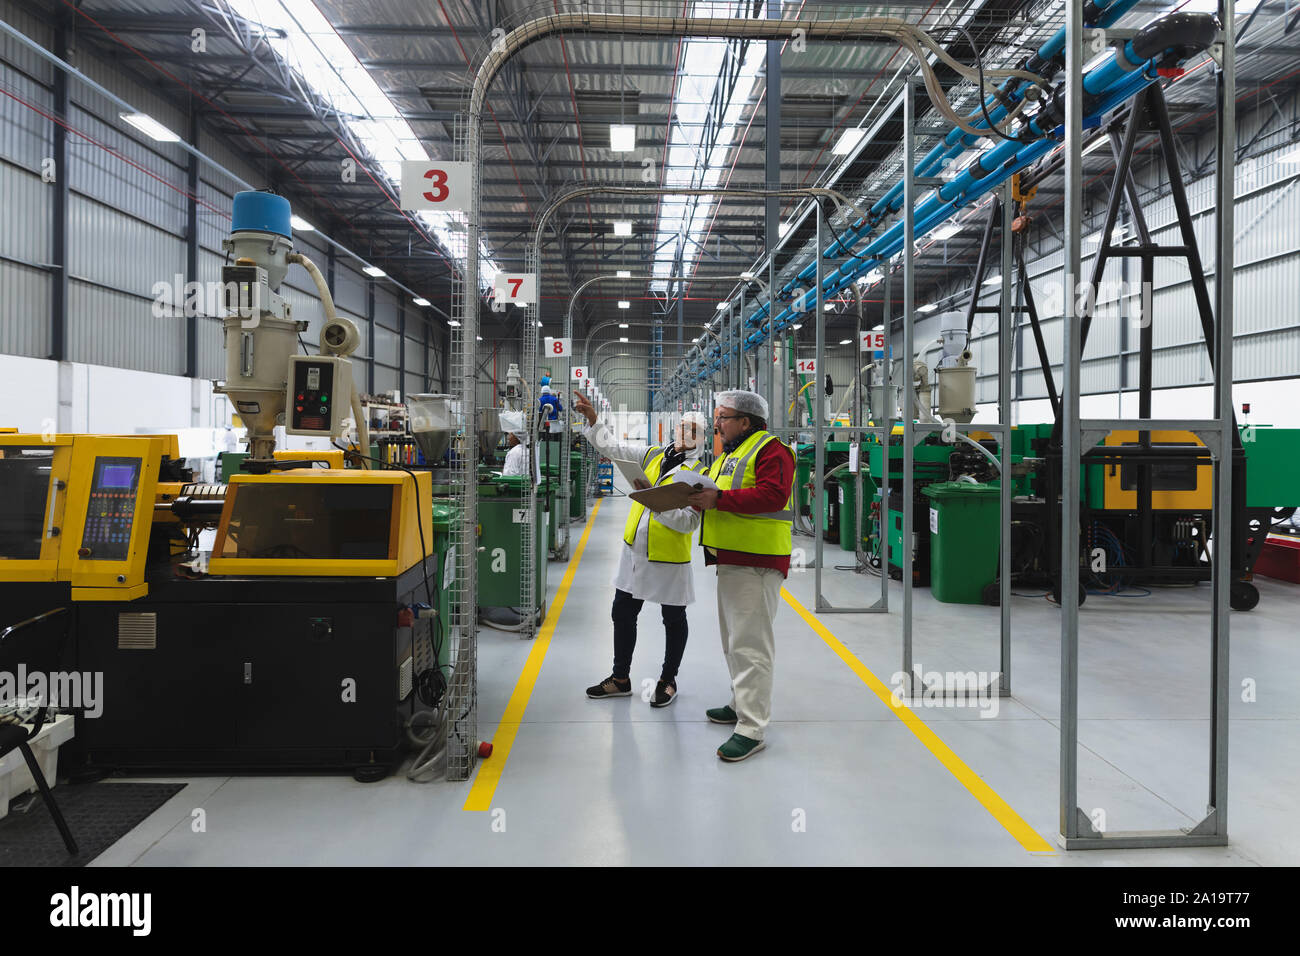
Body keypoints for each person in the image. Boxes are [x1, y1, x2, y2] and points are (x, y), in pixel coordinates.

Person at [573, 389, 709, 707]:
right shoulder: (653, 456)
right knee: (622, 611)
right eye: (681, 427)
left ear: (702, 437)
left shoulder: (699, 476)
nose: (684, 433)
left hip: (669, 558)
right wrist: (594, 420)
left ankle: (668, 679)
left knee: (673, 619)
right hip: (635, 551)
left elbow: (689, 524)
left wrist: (655, 501)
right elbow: (616, 447)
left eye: (693, 430)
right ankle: (620, 678)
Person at [686, 389, 794, 762]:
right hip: (732, 559)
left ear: (745, 421)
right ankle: (739, 702)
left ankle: (752, 727)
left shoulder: (772, 450)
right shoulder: (729, 454)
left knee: (752, 646)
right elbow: (717, 494)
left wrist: (719, 501)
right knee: (734, 642)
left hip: (757, 561)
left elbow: (774, 496)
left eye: (723, 417)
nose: (718, 424)